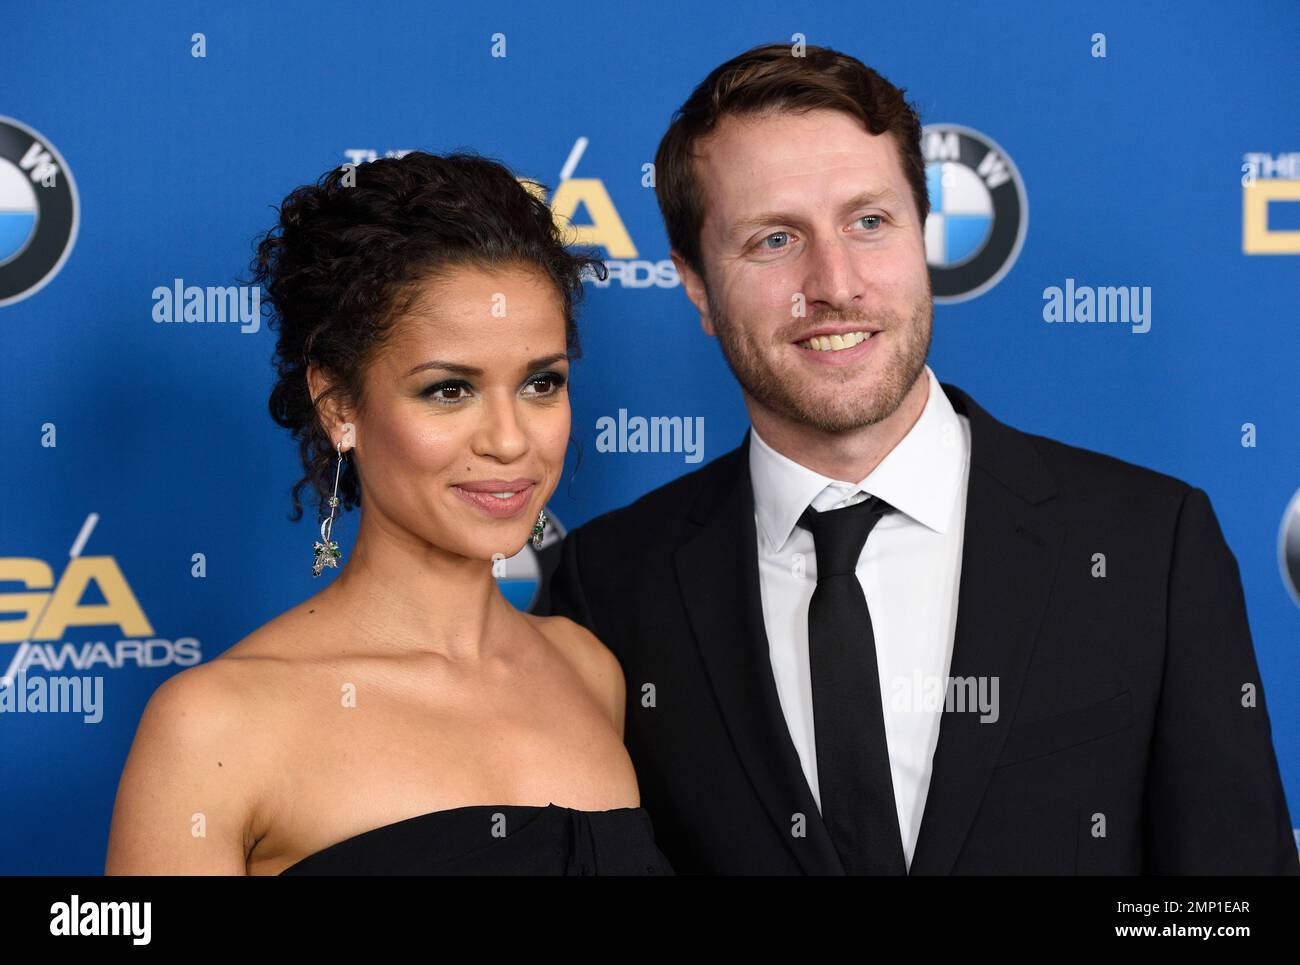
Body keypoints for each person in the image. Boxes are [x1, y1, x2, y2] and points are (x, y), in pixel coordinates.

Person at [534, 42, 1298, 874]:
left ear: (922, 234)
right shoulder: (609, 584)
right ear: (694, 283)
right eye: (774, 239)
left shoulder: (1151, 544)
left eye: (869, 222)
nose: (835, 283)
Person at [105, 151, 673, 876]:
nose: (509, 440)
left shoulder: (589, 671)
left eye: (540, 382)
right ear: (340, 404)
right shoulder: (214, 723)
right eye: (448, 390)